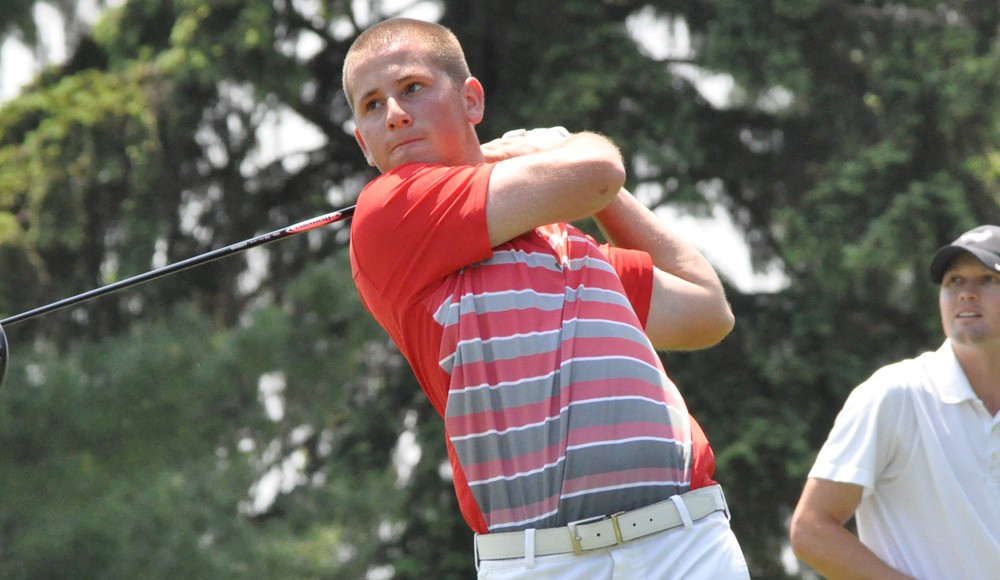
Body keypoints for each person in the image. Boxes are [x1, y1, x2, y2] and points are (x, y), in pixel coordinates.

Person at [342, 17, 748, 578]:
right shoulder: (388, 214)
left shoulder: (573, 250)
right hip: (541, 562)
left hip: (685, 543)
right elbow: (598, 167)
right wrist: (555, 149)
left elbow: (708, 309)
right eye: (371, 105)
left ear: (471, 100)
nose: (394, 113)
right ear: (365, 145)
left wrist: (609, 201)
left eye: (412, 87)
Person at [789, 224, 1000, 579]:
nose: (966, 293)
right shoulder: (895, 393)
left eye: (987, 279)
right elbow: (811, 529)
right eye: (953, 281)